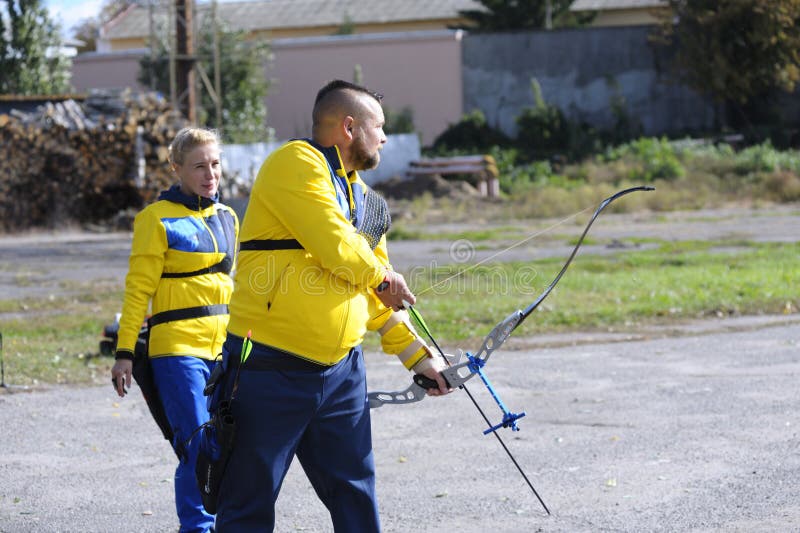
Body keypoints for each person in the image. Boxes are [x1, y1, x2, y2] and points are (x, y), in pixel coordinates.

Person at [213, 79, 451, 531]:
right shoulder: (294, 162)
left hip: (342, 373)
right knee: (248, 503)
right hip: (267, 366)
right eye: (378, 126)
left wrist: (419, 357)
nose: (384, 137)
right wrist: (381, 276)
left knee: (356, 496)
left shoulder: (368, 202)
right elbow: (332, 241)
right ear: (348, 127)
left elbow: (378, 299)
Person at [110, 127, 239, 533]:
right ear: (176, 168)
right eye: (199, 166)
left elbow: (241, 286)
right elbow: (138, 292)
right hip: (178, 349)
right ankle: (197, 529)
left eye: (215, 164)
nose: (210, 174)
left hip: (227, 349)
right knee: (197, 445)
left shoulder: (229, 216)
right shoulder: (154, 219)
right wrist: (124, 352)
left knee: (230, 446)